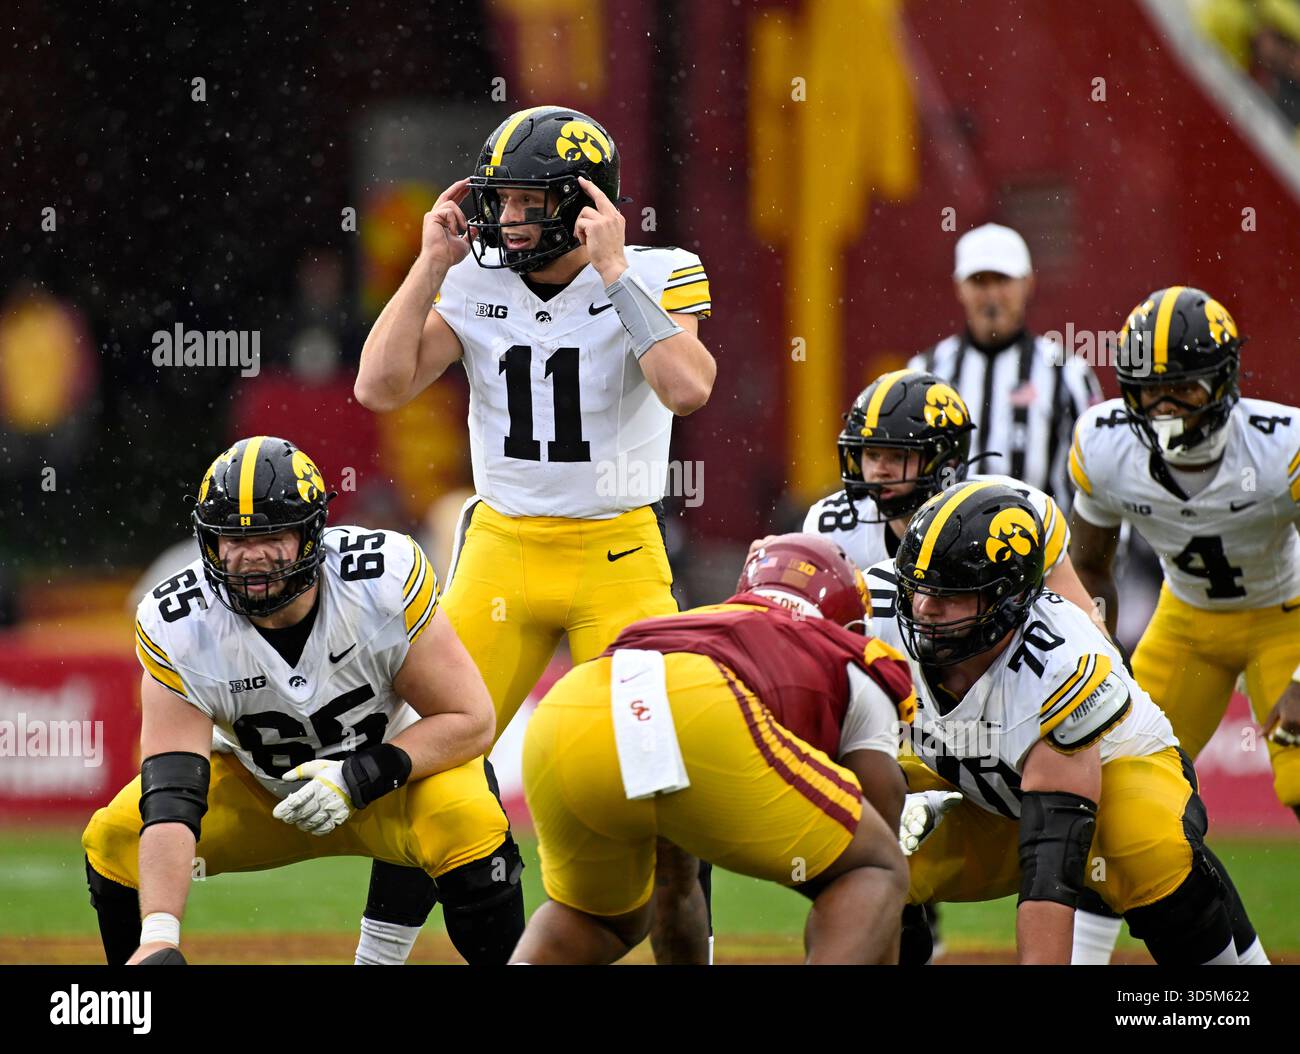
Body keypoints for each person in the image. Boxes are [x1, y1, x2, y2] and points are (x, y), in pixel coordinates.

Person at [354, 105, 718, 963]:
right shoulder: (472, 280)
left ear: (584, 202)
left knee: (657, 775)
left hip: (617, 553)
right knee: (426, 754)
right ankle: (376, 961)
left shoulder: (658, 271)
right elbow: (379, 385)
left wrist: (616, 273)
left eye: (524, 202)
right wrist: (427, 265)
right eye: (500, 200)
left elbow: (688, 389)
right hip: (504, 549)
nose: (506, 218)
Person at [82, 436, 524, 965]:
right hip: (262, 792)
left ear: (311, 534)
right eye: (231, 538)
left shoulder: (378, 582)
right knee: (115, 841)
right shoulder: (179, 624)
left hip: (390, 787)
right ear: (208, 541)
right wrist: (159, 935)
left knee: (471, 822)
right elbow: (172, 793)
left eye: (272, 535)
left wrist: (357, 777)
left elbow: (470, 720)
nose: (250, 557)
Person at [866, 480, 1253, 965]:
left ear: (1004, 601)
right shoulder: (875, 608)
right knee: (860, 847)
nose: (923, 607)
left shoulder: (1061, 665)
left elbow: (1051, 868)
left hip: (1113, 778)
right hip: (986, 790)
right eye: (917, 587)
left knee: (1147, 848)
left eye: (947, 593)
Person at [510, 535, 914, 965]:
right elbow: (878, 825)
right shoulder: (847, 652)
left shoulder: (704, 619)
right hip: (700, 706)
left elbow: (677, 890)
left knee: (598, 920)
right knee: (876, 869)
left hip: (572, 707)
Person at [1068, 286, 1287, 964]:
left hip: (1288, 616)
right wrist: (1100, 650)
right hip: (1187, 621)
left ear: (1223, 383)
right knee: (1118, 794)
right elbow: (1089, 565)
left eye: (1183, 389)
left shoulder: (1281, 447)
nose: (1165, 408)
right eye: (1150, 390)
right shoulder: (1105, 446)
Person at [908, 223, 1101, 508]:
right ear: (958, 288)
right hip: (943, 547)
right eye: (979, 282)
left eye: (1002, 280)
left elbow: (1098, 472)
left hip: (1042, 548)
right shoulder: (925, 372)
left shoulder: (1068, 373)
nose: (992, 295)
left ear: (1028, 283)